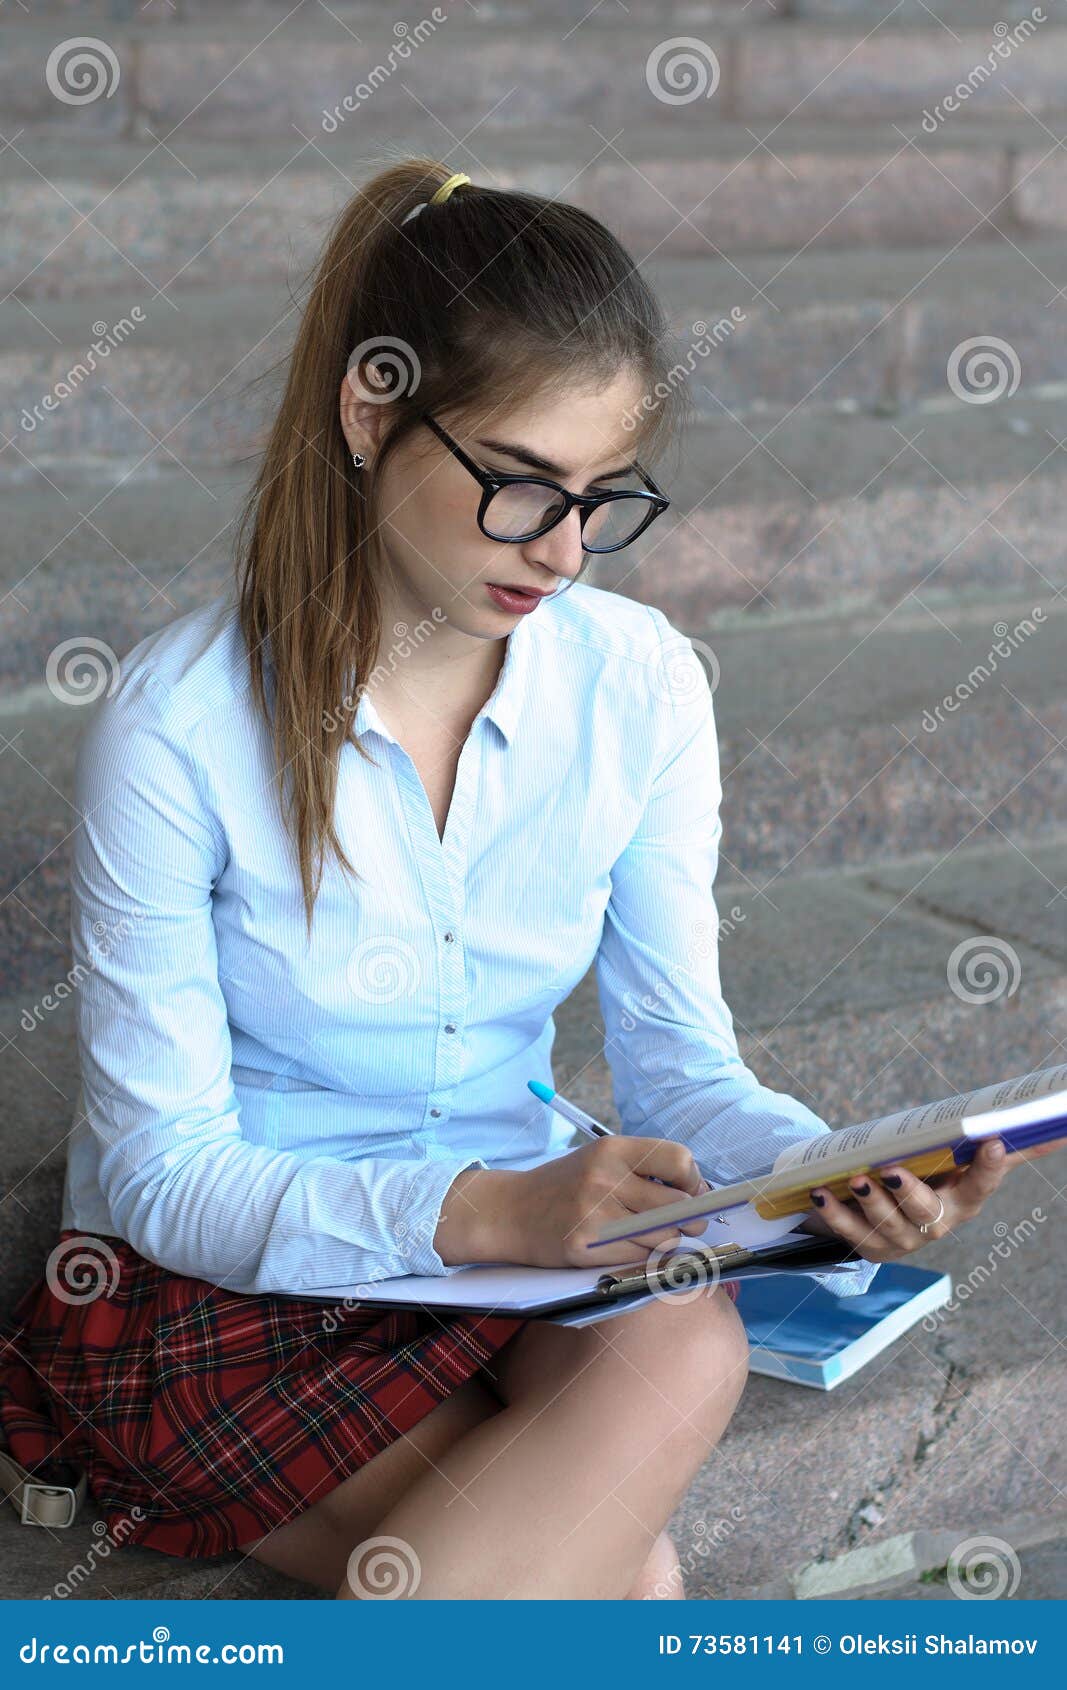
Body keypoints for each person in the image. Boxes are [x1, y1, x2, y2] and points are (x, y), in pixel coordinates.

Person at [0, 162, 1045, 1602]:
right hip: (243, 1271)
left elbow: (683, 1070)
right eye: (520, 485)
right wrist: (493, 1210)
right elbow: (172, 1175)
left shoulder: (638, 686)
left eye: (602, 500)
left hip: (524, 1244)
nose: (561, 552)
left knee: (686, 1335)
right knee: (637, 1582)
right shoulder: (180, 723)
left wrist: (829, 1176)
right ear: (371, 413)